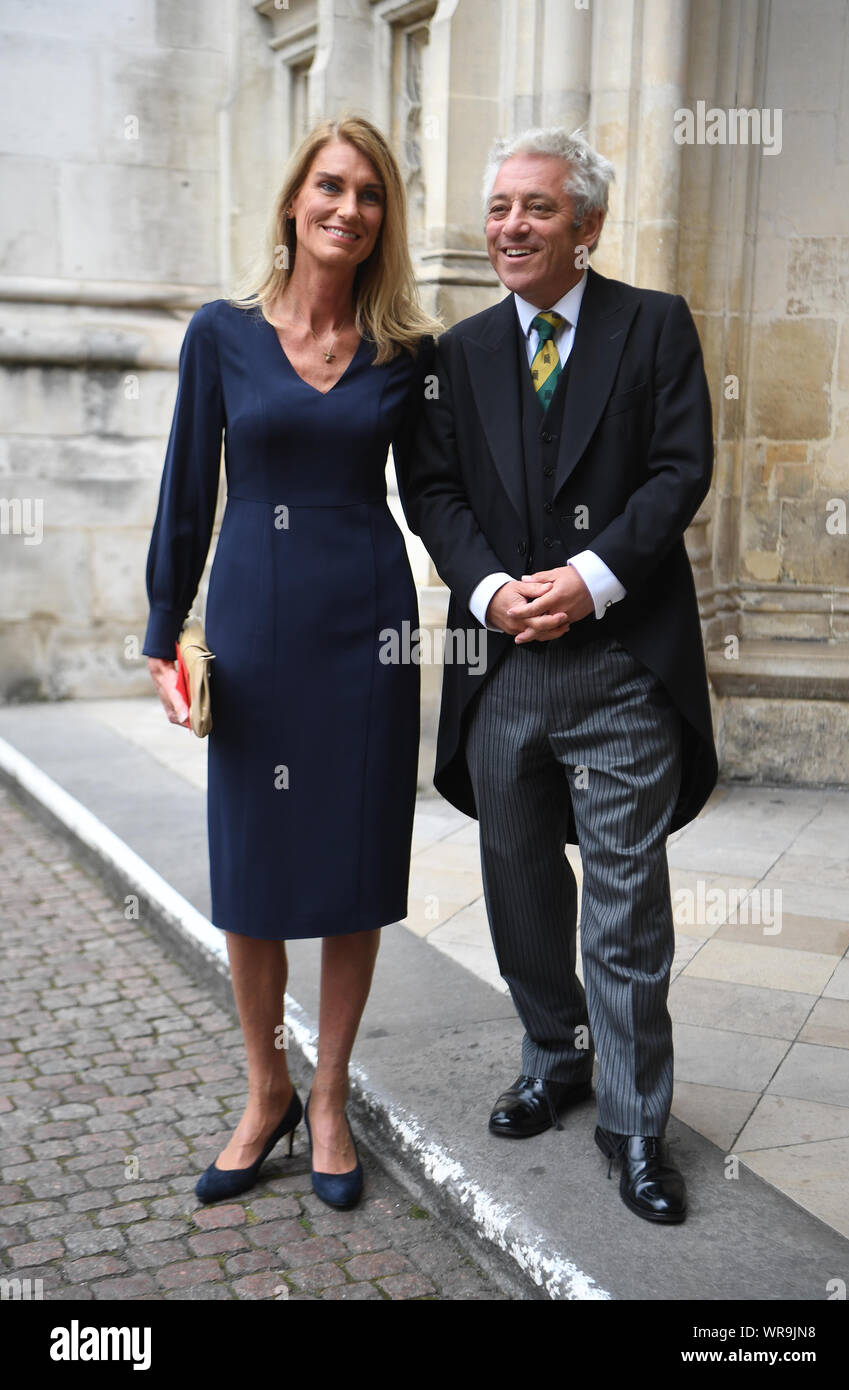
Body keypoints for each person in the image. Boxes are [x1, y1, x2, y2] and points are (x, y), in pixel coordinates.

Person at [402, 127, 717, 1224]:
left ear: (585, 227)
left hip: (623, 662)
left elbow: (680, 470)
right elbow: (431, 489)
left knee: (624, 906)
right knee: (520, 879)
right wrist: (490, 592)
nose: (509, 227)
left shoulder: (655, 327)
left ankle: (634, 1124)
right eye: (496, 208)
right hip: (501, 666)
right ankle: (556, 1052)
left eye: (535, 209)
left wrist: (587, 579)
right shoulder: (456, 353)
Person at [142, 114, 438, 1209]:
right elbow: (185, 491)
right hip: (255, 633)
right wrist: (163, 632)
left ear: (381, 220)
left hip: (365, 631)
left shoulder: (408, 356)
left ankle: (328, 1098)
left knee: (352, 865)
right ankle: (265, 1087)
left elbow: (444, 496)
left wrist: (516, 586)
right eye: (329, 185)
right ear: (292, 201)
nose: (347, 207)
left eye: (368, 194)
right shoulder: (219, 335)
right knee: (256, 872)